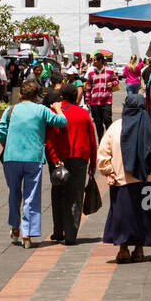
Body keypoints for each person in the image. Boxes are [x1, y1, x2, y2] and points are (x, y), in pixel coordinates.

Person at [0, 80, 66, 249]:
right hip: (33, 158)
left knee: (14, 193)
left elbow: (0, 132)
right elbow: (61, 122)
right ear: (36, 97)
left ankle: (15, 228)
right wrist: (58, 109)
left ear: (20, 95)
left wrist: (7, 145)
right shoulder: (42, 110)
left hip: (11, 157)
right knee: (31, 196)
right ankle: (27, 234)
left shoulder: (10, 110)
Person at [98, 90, 151, 263]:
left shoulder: (115, 127)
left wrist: (109, 171)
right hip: (147, 183)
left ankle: (123, 250)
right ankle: (140, 250)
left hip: (121, 182)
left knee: (122, 216)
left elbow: (103, 153)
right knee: (144, 214)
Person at [45, 82, 96, 245]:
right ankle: (71, 235)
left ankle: (58, 231)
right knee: (75, 196)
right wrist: (93, 163)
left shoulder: (54, 113)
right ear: (76, 97)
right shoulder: (83, 114)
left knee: (58, 193)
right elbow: (92, 140)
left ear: (60, 97)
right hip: (80, 159)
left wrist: (54, 159)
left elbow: (49, 140)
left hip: (59, 159)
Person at [85, 53, 120, 142]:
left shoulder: (109, 71)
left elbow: (116, 81)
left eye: (95, 60)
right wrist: (87, 101)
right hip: (95, 103)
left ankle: (110, 140)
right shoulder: (91, 73)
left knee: (107, 120)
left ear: (100, 61)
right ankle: (101, 141)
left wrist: (111, 84)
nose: (93, 62)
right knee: (98, 123)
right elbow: (88, 87)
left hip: (106, 101)